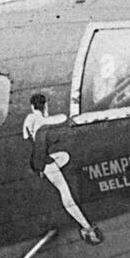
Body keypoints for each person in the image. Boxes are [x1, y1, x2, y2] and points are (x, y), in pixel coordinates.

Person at [23, 92, 102, 244]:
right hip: (43, 160)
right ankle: (86, 227)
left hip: (37, 158)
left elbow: (28, 138)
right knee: (65, 192)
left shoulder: (29, 120)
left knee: (64, 156)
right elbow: (62, 118)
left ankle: (46, 171)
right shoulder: (44, 121)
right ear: (45, 106)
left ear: (32, 106)